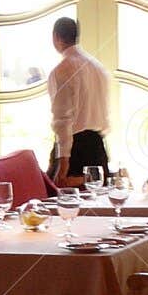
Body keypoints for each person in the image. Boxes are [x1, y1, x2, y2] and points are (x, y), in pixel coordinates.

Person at [47, 16, 111, 184]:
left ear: (56, 37)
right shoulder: (99, 68)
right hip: (98, 146)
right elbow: (105, 114)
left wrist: (63, 163)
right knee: (99, 202)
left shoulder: (61, 70)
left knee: (62, 203)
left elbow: (62, 119)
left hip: (74, 150)